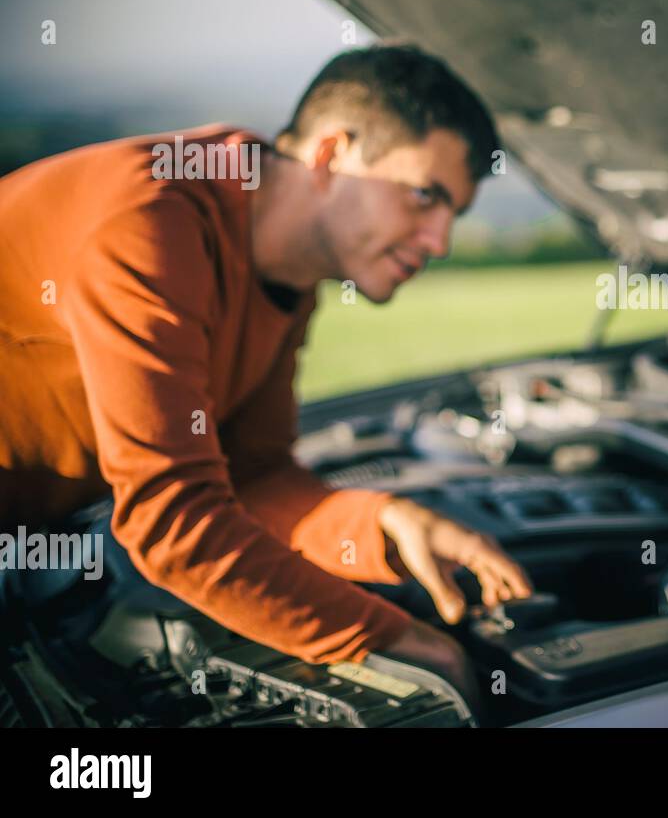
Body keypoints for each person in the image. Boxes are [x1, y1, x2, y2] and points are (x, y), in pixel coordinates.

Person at [0, 44, 533, 699]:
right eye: (425, 196)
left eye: (455, 214)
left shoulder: (285, 270)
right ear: (331, 156)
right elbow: (172, 523)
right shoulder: (151, 219)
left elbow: (253, 474)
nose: (441, 241)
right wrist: (398, 640)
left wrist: (385, 523)